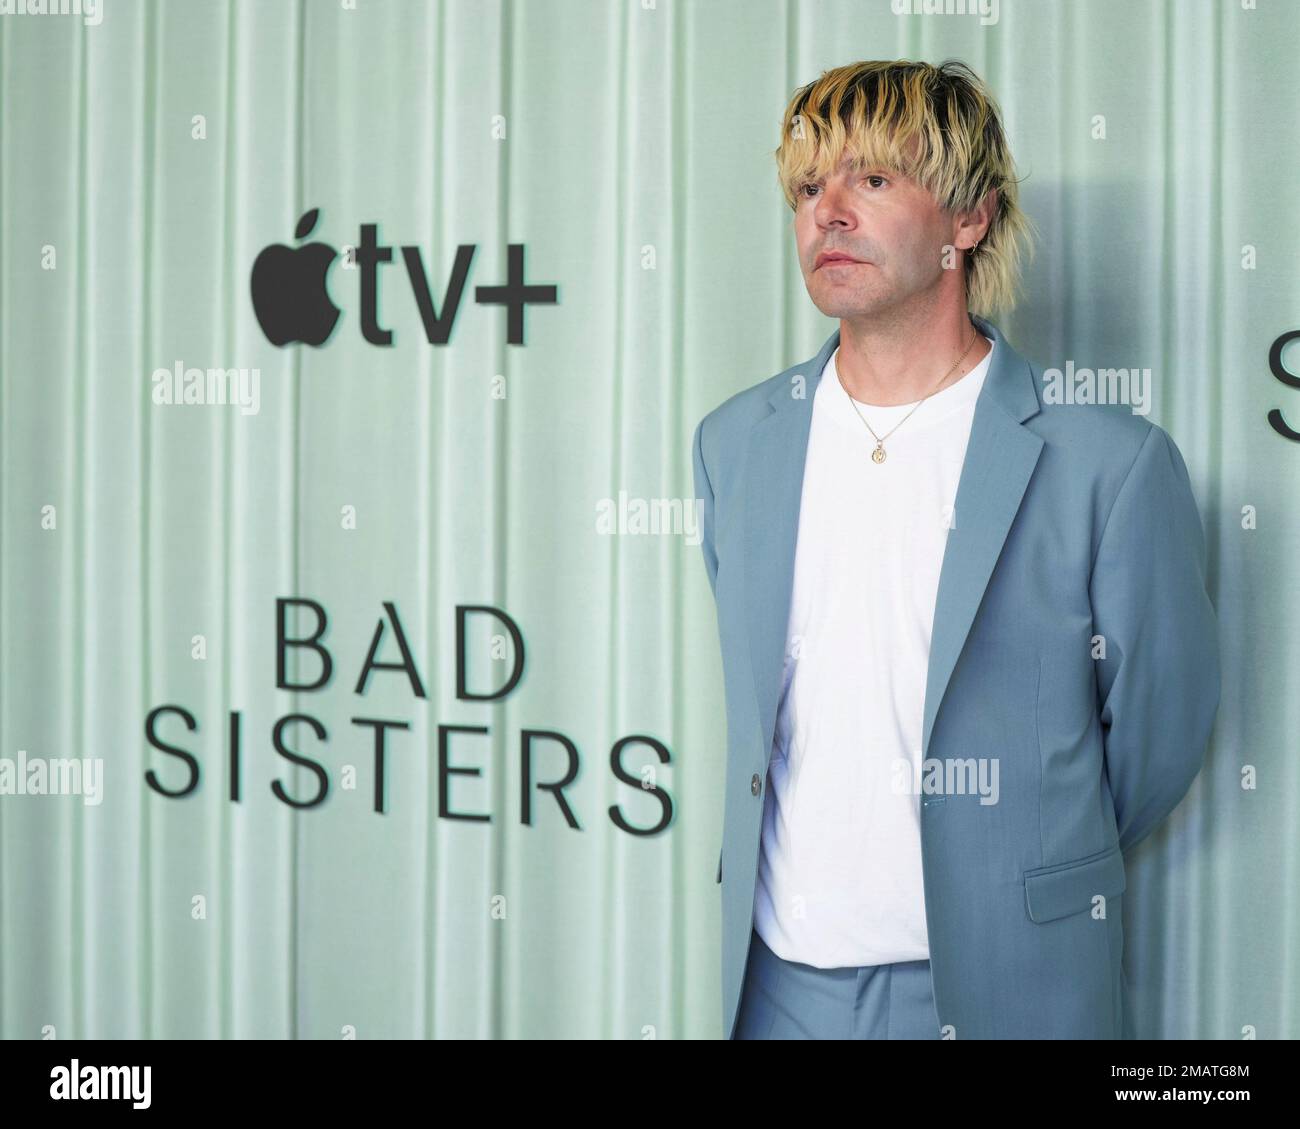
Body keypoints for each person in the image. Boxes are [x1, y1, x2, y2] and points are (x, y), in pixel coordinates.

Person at [691, 58, 1220, 1039]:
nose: (828, 212)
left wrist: (1020, 860)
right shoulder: (735, 444)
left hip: (1003, 990)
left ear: (968, 217)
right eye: (809, 186)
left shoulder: (1109, 462)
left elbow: (1153, 741)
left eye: (873, 179)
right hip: (772, 989)